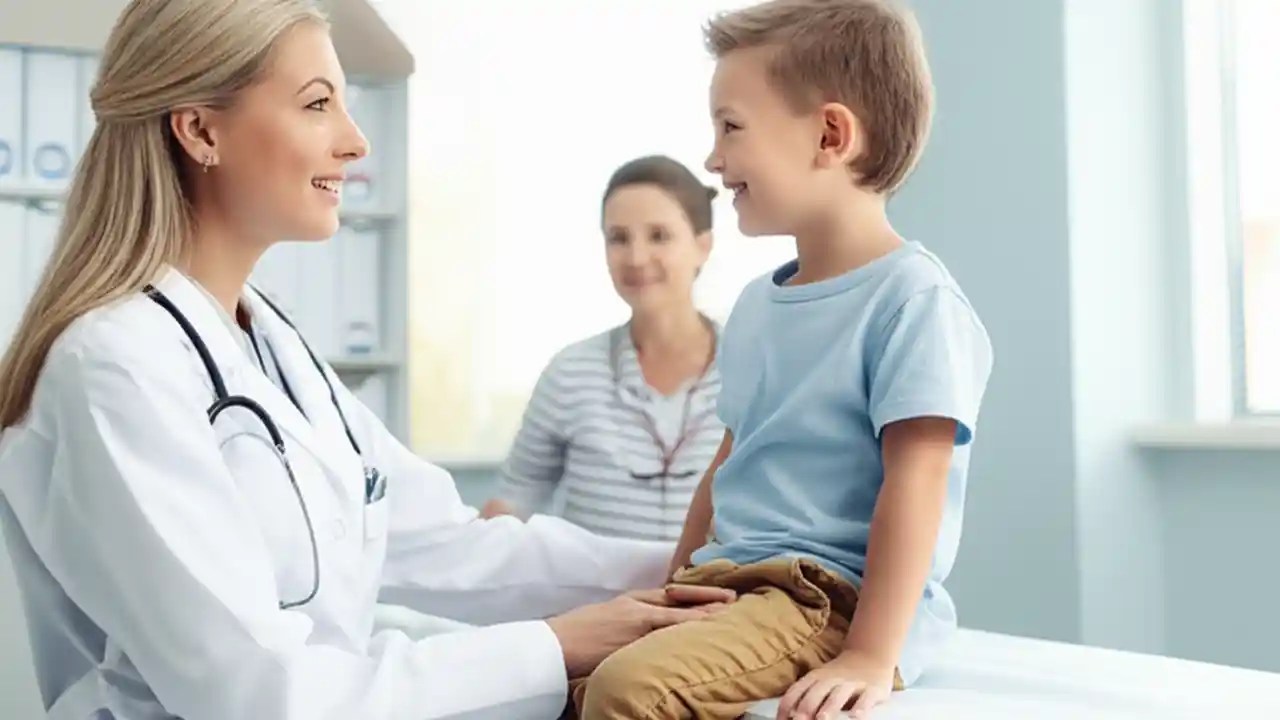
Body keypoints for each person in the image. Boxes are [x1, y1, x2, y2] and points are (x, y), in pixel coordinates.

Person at [0, 2, 733, 718]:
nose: (355, 142)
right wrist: (554, 645)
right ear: (200, 130)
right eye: (317, 104)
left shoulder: (270, 342)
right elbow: (257, 695)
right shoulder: (115, 366)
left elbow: (448, 546)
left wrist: (690, 566)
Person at [569, 1, 994, 719]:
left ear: (830, 135)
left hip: (821, 596)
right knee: (564, 681)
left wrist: (869, 655)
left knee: (628, 692)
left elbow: (916, 486)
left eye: (730, 127)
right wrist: (670, 592)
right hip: (734, 583)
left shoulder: (914, 301)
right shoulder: (758, 306)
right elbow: (729, 461)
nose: (712, 159)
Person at [479, 155, 726, 542]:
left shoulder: (753, 370)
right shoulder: (570, 373)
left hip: (719, 583)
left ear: (702, 246)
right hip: (593, 584)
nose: (636, 257)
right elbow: (512, 502)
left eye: (659, 236)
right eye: (619, 238)